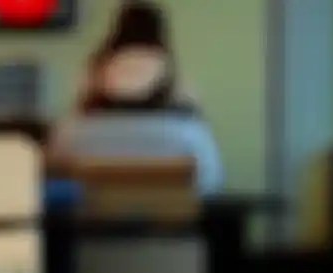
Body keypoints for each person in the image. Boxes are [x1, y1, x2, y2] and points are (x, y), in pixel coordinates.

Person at [49, 0, 225, 196]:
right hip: (171, 225)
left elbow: (54, 182)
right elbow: (210, 184)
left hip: (91, 226)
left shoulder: (72, 131)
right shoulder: (187, 131)